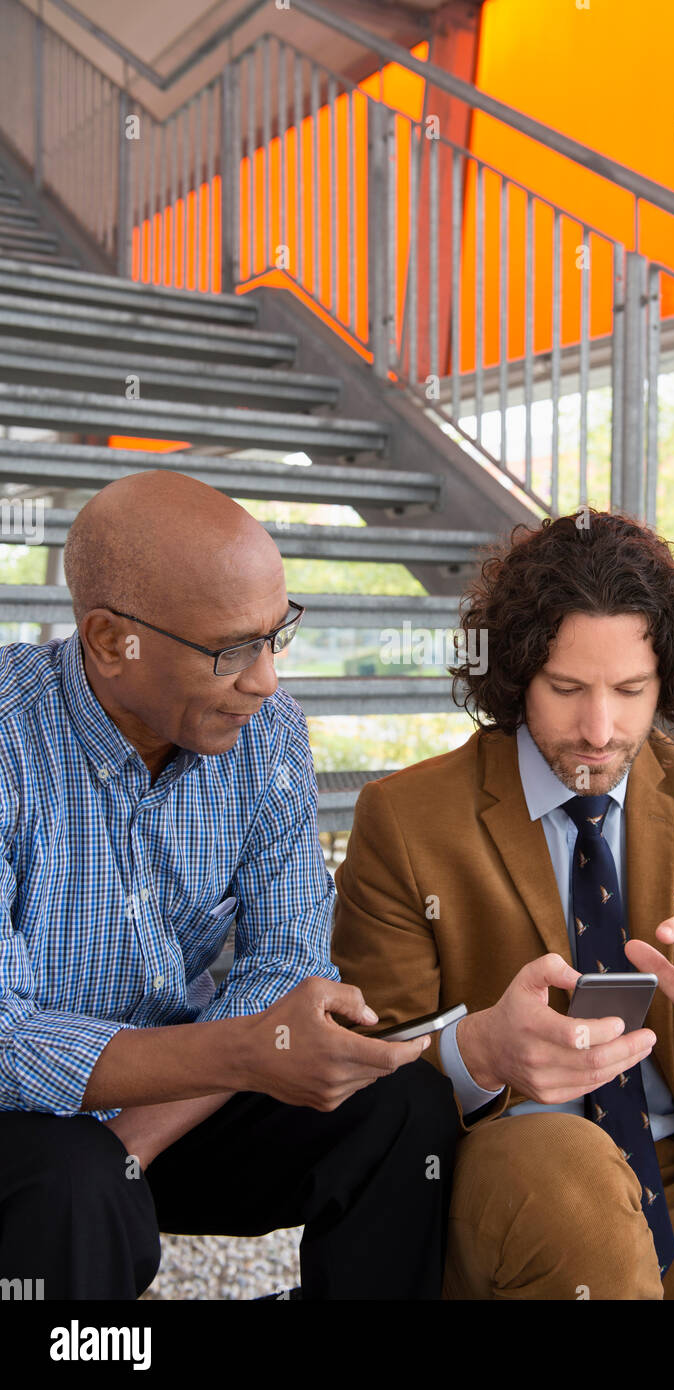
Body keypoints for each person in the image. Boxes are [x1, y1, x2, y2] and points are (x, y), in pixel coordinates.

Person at [331, 507, 674, 1300]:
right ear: (516, 674)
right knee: (576, 1187)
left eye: (629, 690)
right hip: (507, 1179)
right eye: (566, 688)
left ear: (666, 680)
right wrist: (479, 1051)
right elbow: (361, 1083)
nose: (598, 727)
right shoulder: (407, 820)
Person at [0, 469, 458, 1301]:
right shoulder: (7, 741)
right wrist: (242, 1054)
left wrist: (135, 1144)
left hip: (174, 1111)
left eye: (275, 635)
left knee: (404, 1109)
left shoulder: (266, 736)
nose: (266, 680)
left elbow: (285, 961)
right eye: (230, 650)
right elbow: (4, 1040)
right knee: (71, 1186)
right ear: (110, 641)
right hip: (23, 1135)